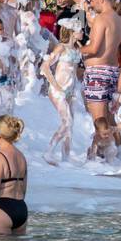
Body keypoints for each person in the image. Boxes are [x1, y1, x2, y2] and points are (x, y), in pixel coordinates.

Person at [81, 0, 121, 136]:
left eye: (92, 0)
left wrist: (75, 49)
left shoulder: (101, 19)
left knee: (99, 122)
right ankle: (117, 153)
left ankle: (101, 157)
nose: (91, 4)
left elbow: (94, 48)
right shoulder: (119, 20)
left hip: (98, 74)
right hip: (113, 72)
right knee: (110, 119)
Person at [40, 20, 82, 164]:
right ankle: (48, 151)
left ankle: (66, 158)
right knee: (67, 122)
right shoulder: (61, 48)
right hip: (58, 90)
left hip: (70, 90)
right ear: (71, 31)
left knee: (71, 126)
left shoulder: (77, 48)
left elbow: (75, 71)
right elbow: (45, 67)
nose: (82, 32)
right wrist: (56, 86)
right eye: (80, 30)